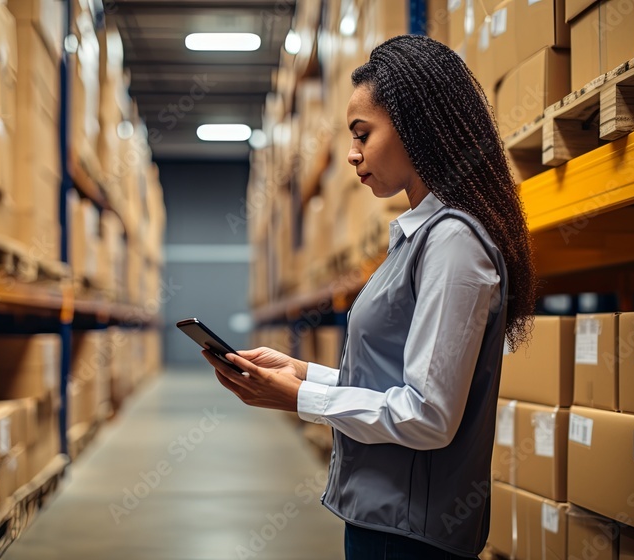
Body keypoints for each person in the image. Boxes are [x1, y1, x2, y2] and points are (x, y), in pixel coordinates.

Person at [203, 35, 536, 560]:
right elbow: (393, 382)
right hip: (386, 519)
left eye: (363, 134)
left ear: (414, 125)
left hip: (411, 536)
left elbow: (427, 413)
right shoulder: (419, 236)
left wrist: (297, 399)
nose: (353, 154)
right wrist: (301, 371)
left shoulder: (453, 241)